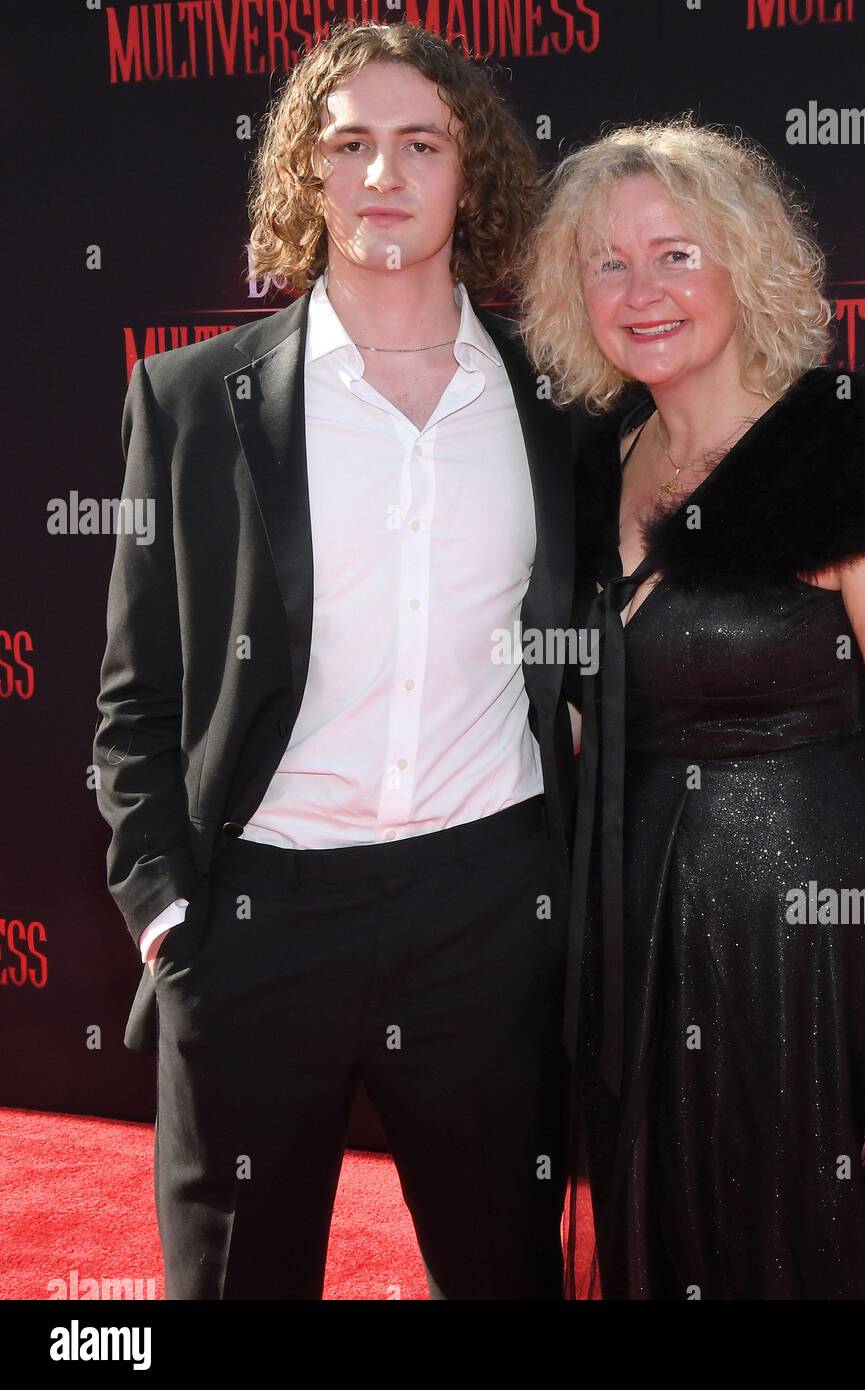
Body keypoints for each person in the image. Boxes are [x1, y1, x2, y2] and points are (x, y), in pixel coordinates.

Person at [93, 20, 578, 1300]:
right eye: (348, 144)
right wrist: (166, 917)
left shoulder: (558, 400)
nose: (382, 176)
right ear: (303, 178)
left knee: (507, 1275)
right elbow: (135, 695)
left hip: (487, 911)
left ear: (468, 175)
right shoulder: (192, 401)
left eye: (419, 144)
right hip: (256, 919)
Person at [518, 117, 865, 1299]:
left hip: (811, 942)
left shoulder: (859, 450)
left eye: (676, 254)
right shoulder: (594, 465)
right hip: (635, 941)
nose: (640, 292)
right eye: (607, 263)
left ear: (747, 263)